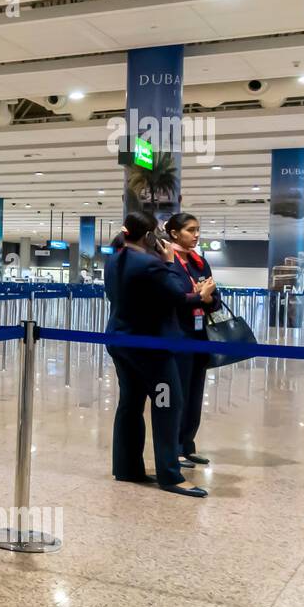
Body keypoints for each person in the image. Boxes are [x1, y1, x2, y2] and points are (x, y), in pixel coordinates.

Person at [104, 212, 216, 497]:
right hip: (151, 348)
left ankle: (126, 467)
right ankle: (170, 474)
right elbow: (178, 295)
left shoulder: (113, 260)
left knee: (129, 404)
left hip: (121, 341)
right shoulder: (152, 265)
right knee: (168, 404)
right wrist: (192, 287)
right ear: (150, 235)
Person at [164, 213, 220, 468]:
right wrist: (198, 296)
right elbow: (172, 297)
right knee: (179, 393)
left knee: (196, 391)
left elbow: (214, 298)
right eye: (190, 230)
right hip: (177, 334)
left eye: (198, 229)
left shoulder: (200, 263)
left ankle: (187, 444)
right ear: (174, 233)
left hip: (200, 334)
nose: (196, 235)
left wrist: (205, 298)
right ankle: (172, 447)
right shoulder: (166, 261)